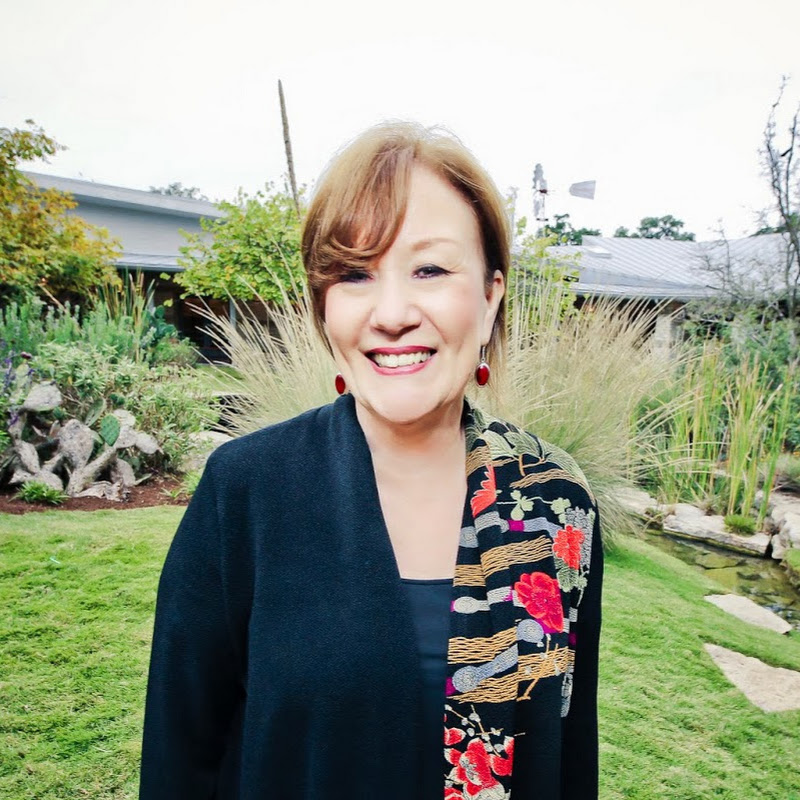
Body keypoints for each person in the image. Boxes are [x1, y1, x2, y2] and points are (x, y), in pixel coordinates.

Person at [139, 122, 603, 800]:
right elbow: (180, 759)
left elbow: (568, 751)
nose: (391, 314)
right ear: (324, 307)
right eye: (354, 274)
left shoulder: (555, 499)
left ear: (490, 296)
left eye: (430, 270)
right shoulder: (246, 491)